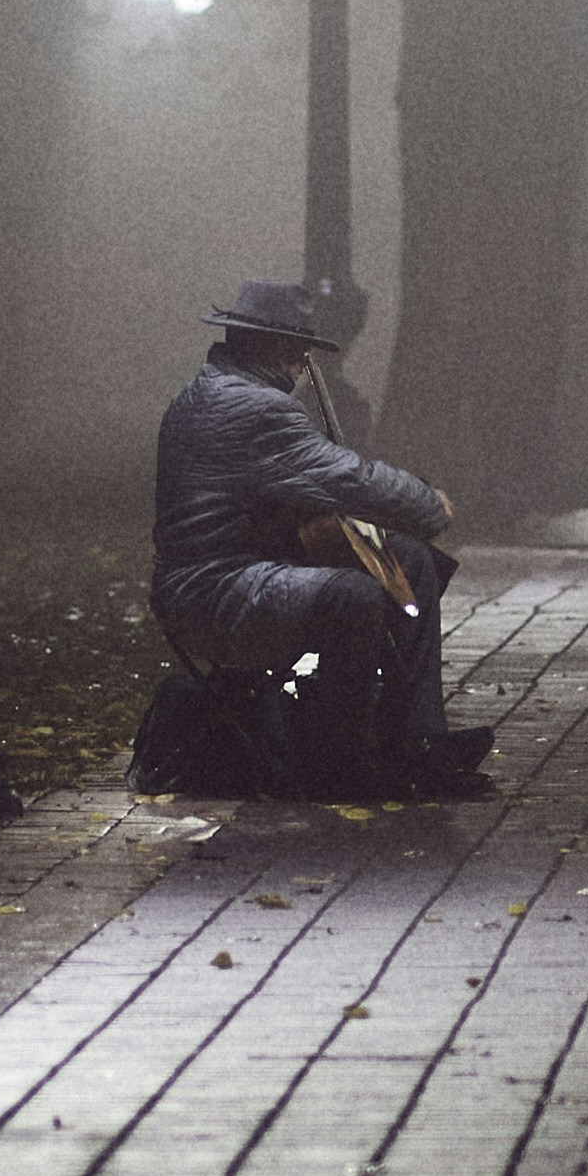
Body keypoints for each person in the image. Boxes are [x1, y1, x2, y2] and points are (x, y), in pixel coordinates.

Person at [138, 280, 497, 799]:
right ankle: (340, 763)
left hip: (239, 569)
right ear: (268, 346)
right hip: (212, 589)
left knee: (412, 562)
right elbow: (348, 478)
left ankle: (416, 737)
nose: (301, 364)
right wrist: (425, 501)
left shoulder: (218, 390)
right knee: (350, 596)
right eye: (296, 351)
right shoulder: (253, 408)